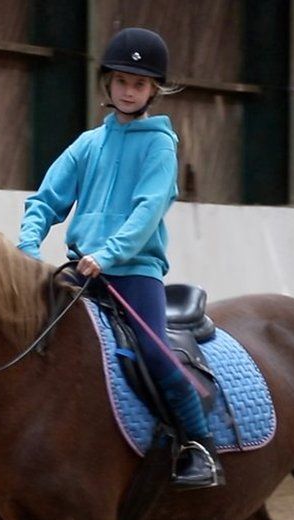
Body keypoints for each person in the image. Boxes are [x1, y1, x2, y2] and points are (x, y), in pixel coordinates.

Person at [17, 28, 223, 489]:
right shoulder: (88, 144)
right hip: (80, 273)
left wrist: (108, 255)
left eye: (140, 83)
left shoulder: (160, 145)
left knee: (153, 352)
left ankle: (198, 444)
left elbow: (147, 212)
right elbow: (45, 201)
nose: (129, 91)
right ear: (107, 84)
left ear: (154, 90)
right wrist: (28, 249)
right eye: (122, 81)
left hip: (133, 274)